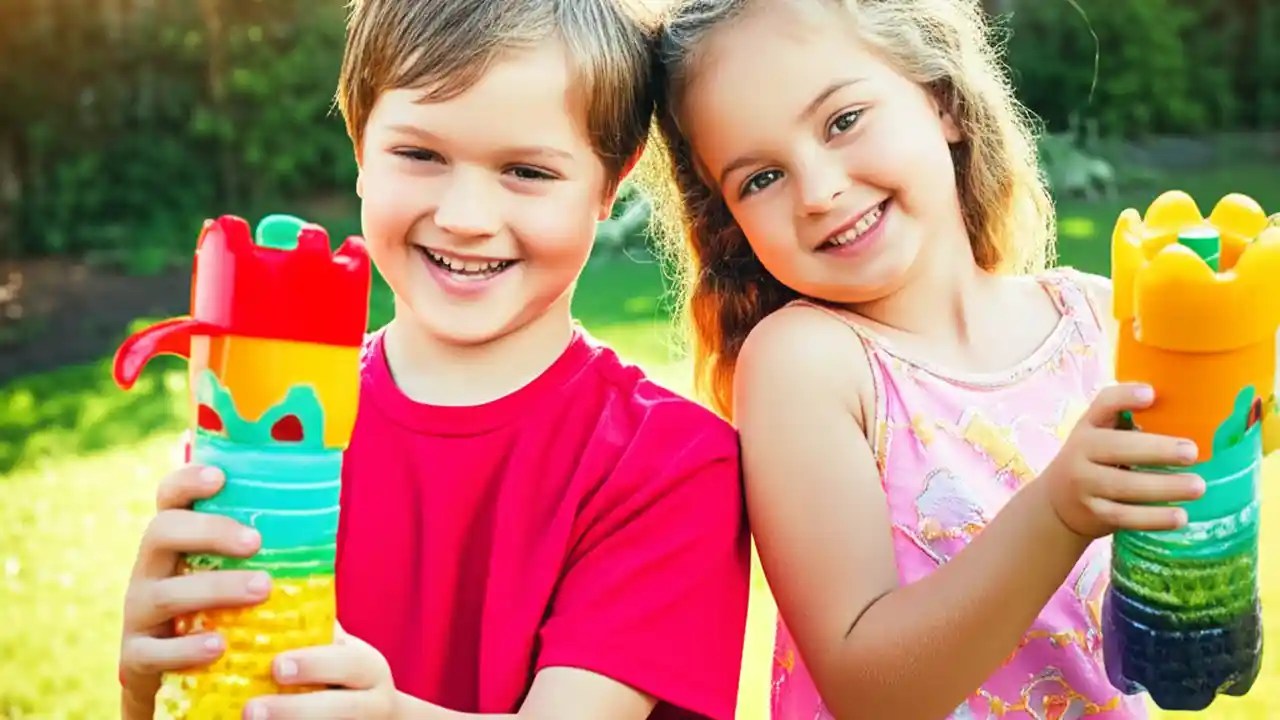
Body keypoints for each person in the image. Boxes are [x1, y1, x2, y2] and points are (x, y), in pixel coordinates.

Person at [116, 1, 752, 718]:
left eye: (526, 171)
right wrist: (150, 685)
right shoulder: (281, 431)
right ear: (360, 149)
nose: (465, 216)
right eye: (420, 155)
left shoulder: (671, 467)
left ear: (610, 183)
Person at [643, 0, 1205, 717]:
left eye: (843, 121)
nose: (819, 192)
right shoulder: (807, 365)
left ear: (942, 100)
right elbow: (868, 692)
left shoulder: (1098, 320)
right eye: (761, 178)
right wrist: (1059, 513)